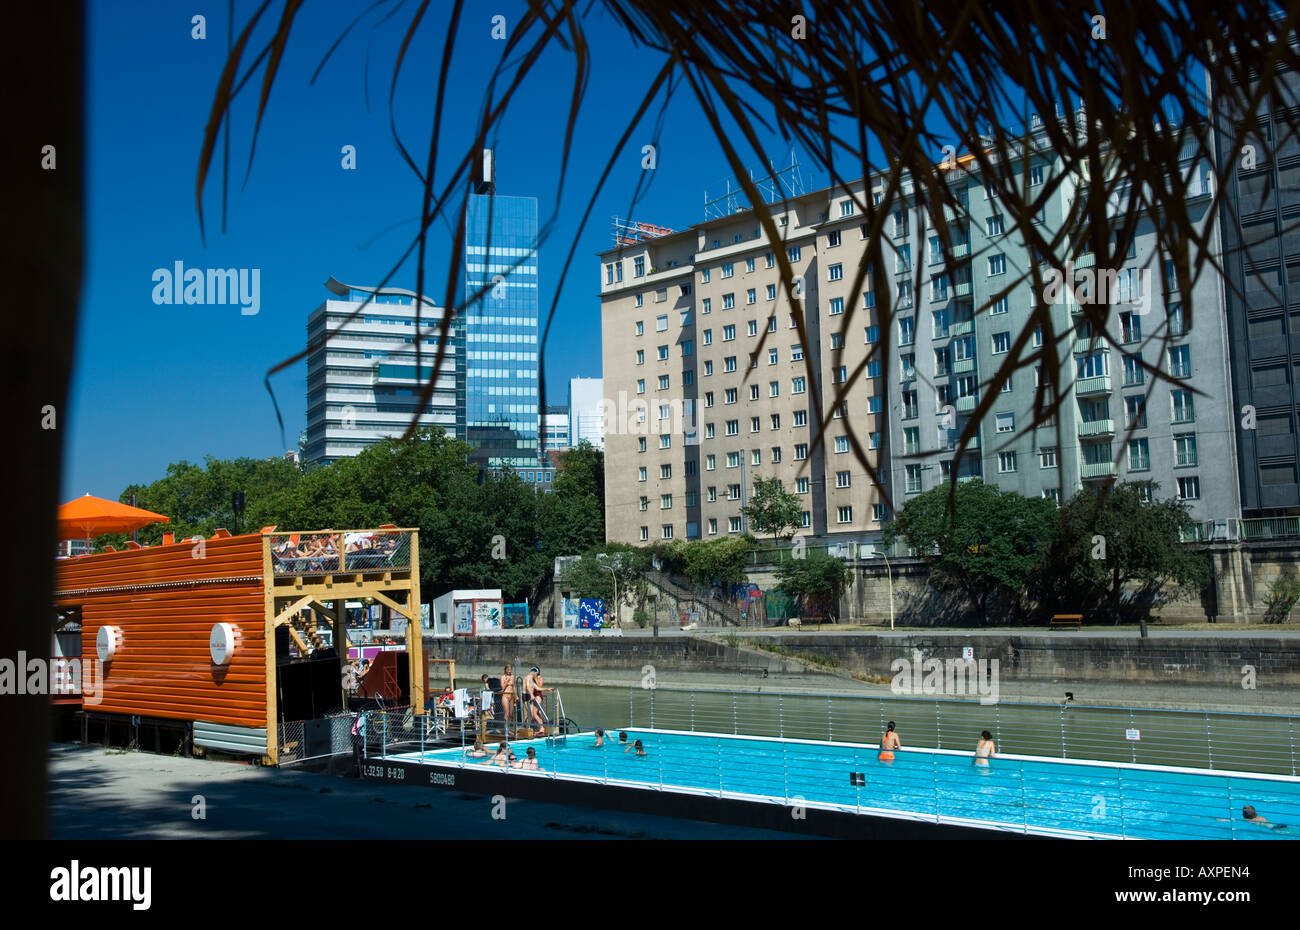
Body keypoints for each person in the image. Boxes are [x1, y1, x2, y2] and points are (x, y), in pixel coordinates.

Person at [523, 666, 552, 732]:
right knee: (537, 713)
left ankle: (541, 727)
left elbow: (539, 686)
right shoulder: (531, 678)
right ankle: (540, 726)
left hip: (538, 696)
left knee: (534, 713)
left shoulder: (539, 678)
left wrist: (535, 679)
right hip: (533, 697)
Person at [500, 664, 517, 730]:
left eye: (510, 670)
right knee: (506, 713)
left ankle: (508, 728)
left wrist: (516, 696)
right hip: (505, 696)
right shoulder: (503, 677)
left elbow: (514, 687)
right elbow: (502, 687)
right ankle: (505, 728)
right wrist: (507, 681)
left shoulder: (512, 677)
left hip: (511, 696)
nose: (509, 671)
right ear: (505, 670)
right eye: (508, 670)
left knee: (511, 714)